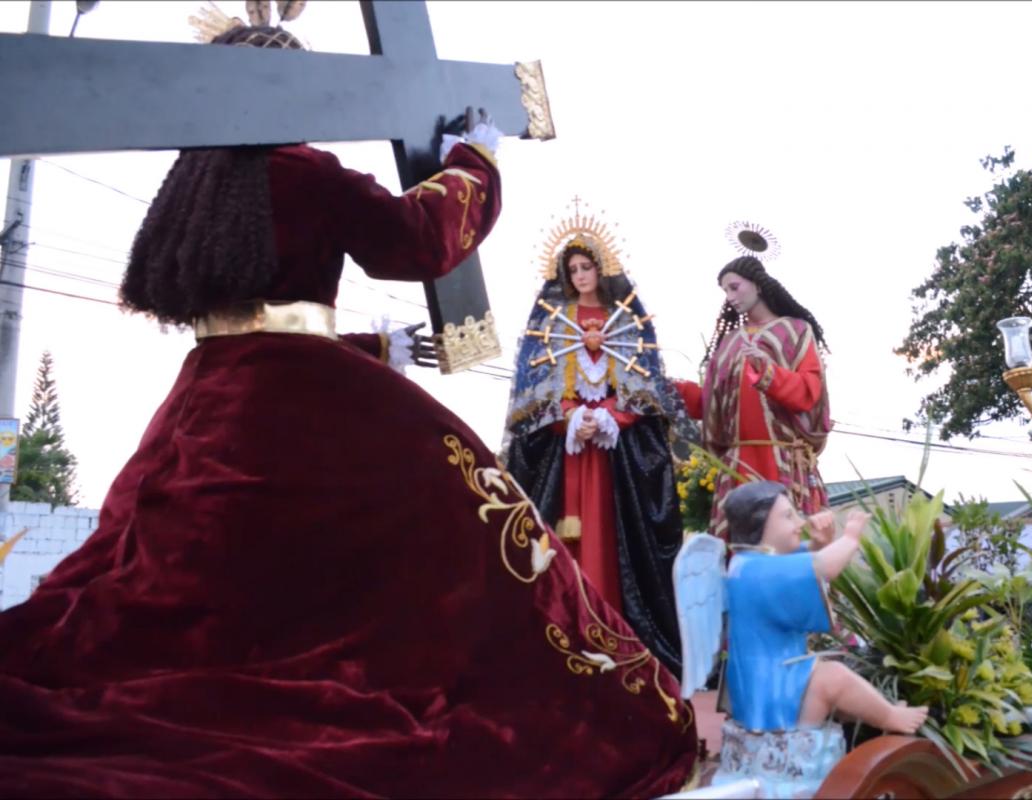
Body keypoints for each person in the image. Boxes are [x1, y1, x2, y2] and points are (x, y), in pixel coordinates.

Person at [0, 19, 697, 798]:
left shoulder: (198, 183)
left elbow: (249, 316)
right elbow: (416, 239)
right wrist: (478, 161)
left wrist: (369, 348)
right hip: (304, 404)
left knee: (166, 584)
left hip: (206, 403)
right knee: (464, 518)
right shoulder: (301, 168)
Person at [502, 223, 686, 677]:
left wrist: (610, 417)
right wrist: (568, 418)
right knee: (562, 532)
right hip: (567, 448)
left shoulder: (624, 319)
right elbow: (535, 385)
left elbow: (645, 387)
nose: (581, 275)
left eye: (587, 267)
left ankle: (615, 628)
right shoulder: (550, 319)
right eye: (573, 269)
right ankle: (570, 629)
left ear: (602, 269)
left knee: (612, 532)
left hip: (614, 452)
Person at [722, 481, 928, 734]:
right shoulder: (757, 570)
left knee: (830, 674)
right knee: (834, 677)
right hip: (772, 689)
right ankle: (892, 717)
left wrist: (820, 542)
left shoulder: (748, 562)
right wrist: (851, 537)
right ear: (759, 523)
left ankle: (877, 714)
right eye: (788, 516)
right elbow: (822, 566)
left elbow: (800, 559)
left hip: (766, 680)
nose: (799, 523)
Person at [675, 254, 832, 539]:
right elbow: (712, 403)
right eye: (725, 291)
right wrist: (674, 389)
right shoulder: (729, 341)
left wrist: (768, 372)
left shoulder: (795, 331)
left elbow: (809, 392)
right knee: (739, 549)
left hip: (781, 457)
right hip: (738, 462)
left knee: (788, 544)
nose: (730, 296)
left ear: (758, 285)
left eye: (735, 287)